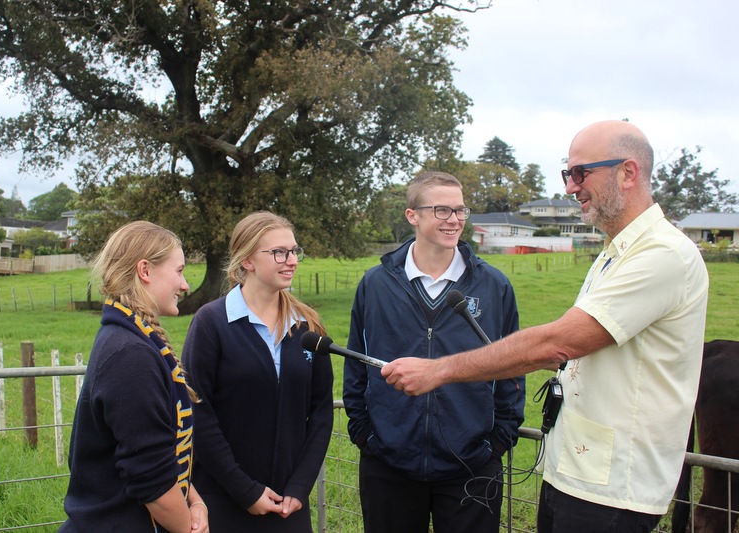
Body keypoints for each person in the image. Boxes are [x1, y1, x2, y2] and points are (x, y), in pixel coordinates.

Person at [383, 121, 710, 533]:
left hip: (612, 488)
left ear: (628, 173)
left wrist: (438, 370)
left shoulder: (662, 254)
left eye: (580, 173)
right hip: (576, 471)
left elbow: (559, 343)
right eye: (567, 174)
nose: (571, 187)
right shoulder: (615, 252)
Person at [343, 171, 525, 533]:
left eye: (460, 210)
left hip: (472, 464)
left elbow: (511, 369)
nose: (454, 219)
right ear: (413, 215)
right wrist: (367, 436)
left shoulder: (493, 286)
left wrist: (495, 443)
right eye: (442, 210)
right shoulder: (376, 284)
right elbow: (356, 364)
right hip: (389, 464)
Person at [181, 211, 333, 532]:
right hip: (222, 498)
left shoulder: (308, 325)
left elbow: (320, 412)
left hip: (288, 505)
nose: (291, 260)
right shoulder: (211, 323)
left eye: (294, 251)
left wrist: (300, 486)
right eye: (279, 252)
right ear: (248, 260)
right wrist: (244, 490)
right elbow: (197, 411)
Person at [60, 221, 208, 532]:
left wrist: (195, 501)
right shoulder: (131, 354)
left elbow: (159, 454)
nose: (185, 286)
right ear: (145, 270)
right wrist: (188, 528)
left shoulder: (131, 340)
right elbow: (152, 480)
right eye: (179, 271)